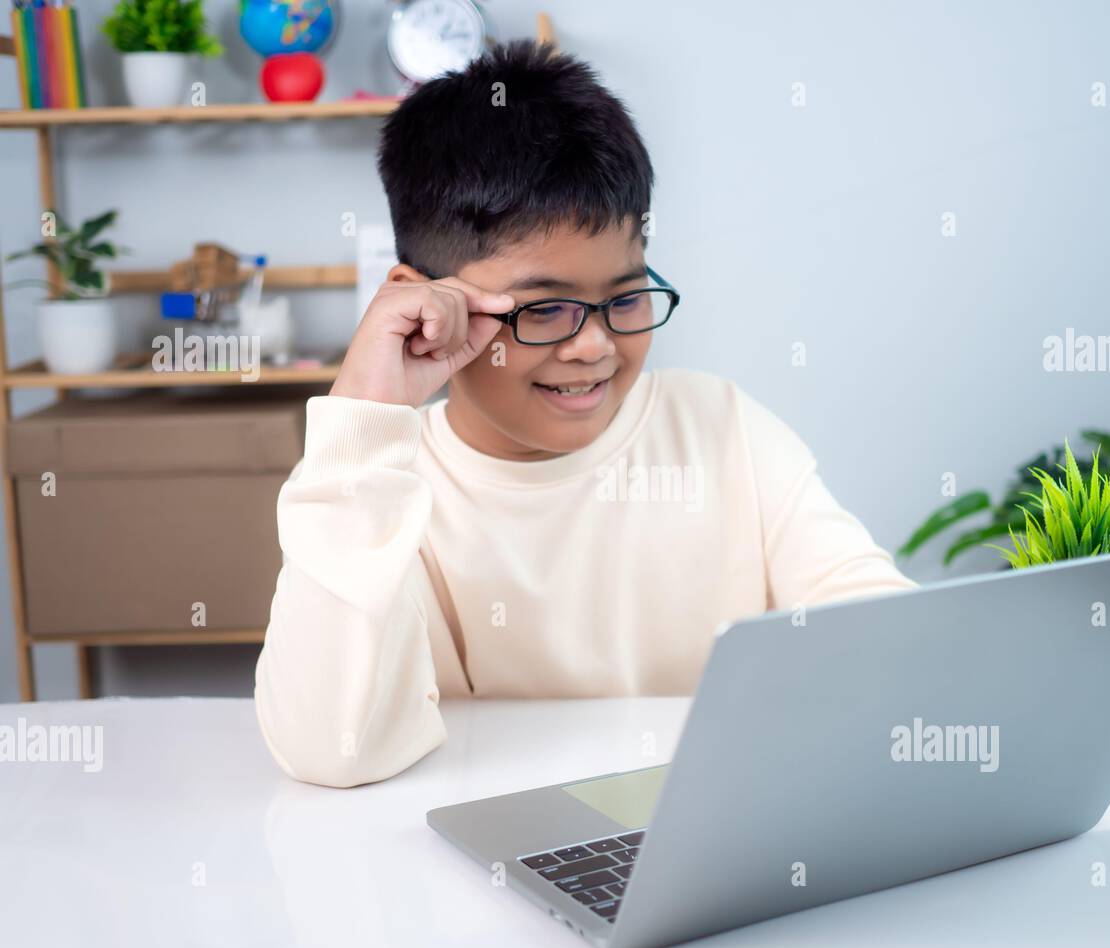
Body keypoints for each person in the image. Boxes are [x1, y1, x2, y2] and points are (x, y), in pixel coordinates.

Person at [253, 40, 914, 787]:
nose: (595, 346)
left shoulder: (723, 428)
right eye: (543, 309)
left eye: (625, 297)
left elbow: (888, 644)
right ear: (421, 303)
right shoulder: (379, 490)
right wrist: (364, 418)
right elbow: (330, 749)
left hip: (702, 819)